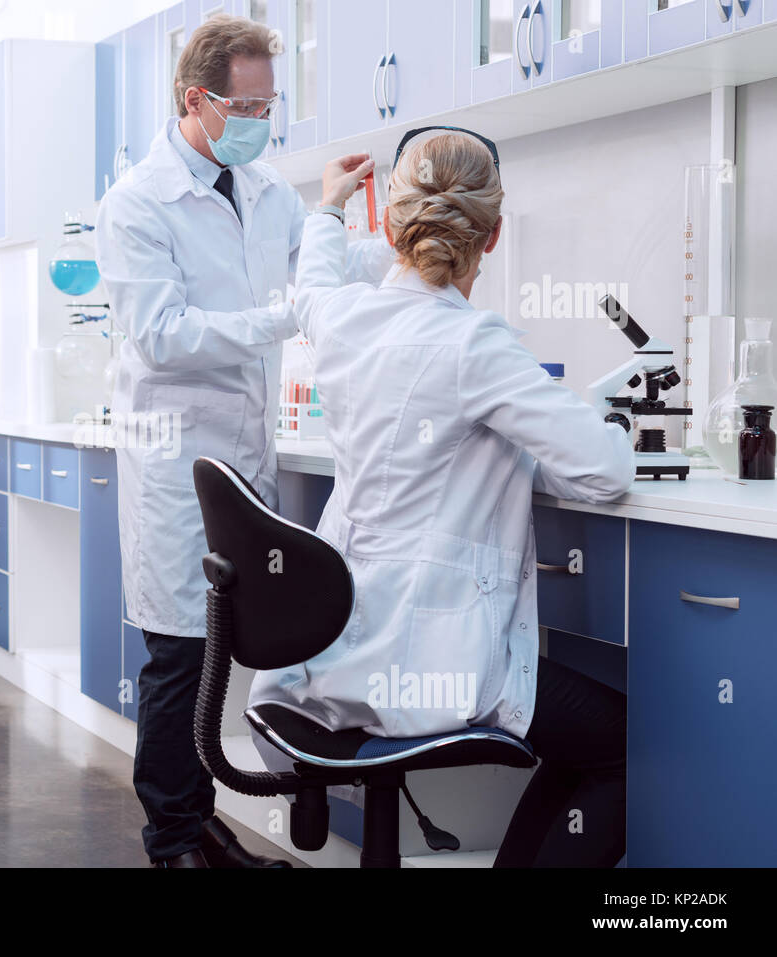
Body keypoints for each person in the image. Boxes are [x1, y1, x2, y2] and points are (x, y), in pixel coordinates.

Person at [246, 129, 635, 867]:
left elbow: (314, 280)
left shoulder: (341, 319)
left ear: (389, 228)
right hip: (430, 659)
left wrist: (328, 205)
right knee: (628, 746)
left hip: (336, 650)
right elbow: (607, 472)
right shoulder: (476, 347)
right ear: (491, 236)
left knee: (588, 740)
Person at [95, 14, 393, 868]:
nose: (264, 119)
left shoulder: (262, 188)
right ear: (200, 99)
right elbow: (161, 333)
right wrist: (279, 319)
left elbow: (320, 264)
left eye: (272, 102)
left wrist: (402, 236)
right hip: (176, 463)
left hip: (242, 455)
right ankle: (173, 841)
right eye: (249, 103)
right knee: (180, 656)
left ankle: (203, 822)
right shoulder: (137, 202)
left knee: (219, 651)